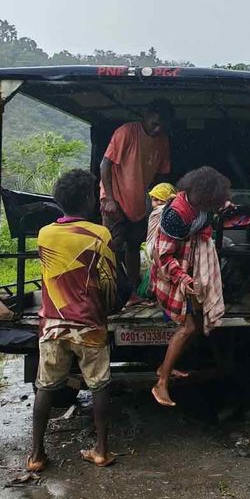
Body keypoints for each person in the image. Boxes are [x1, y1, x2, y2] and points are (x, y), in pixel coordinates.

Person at [29, 169, 118, 471]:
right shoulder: (100, 234)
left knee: (45, 386)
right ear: (90, 200)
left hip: (52, 324)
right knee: (99, 384)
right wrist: (109, 308)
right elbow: (109, 281)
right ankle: (101, 451)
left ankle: (36, 455)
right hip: (89, 323)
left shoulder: (44, 234)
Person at [150, 167, 231, 407]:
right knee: (188, 327)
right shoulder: (176, 215)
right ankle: (161, 382)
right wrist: (183, 278)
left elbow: (207, 217)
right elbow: (163, 256)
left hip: (188, 270)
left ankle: (164, 367)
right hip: (172, 275)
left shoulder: (197, 205)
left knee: (194, 326)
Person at [99, 100, 173, 298]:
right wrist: (109, 199)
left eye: (162, 126)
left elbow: (161, 174)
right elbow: (105, 165)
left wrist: (160, 201)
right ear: (145, 116)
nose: (158, 129)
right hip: (115, 198)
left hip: (138, 202)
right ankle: (113, 292)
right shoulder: (127, 132)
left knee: (134, 245)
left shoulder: (162, 140)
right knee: (113, 246)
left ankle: (133, 290)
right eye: (155, 124)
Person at [138, 182, 177, 299]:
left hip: (155, 247)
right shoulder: (162, 212)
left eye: (161, 200)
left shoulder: (162, 211)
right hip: (156, 246)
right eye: (155, 200)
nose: (158, 203)